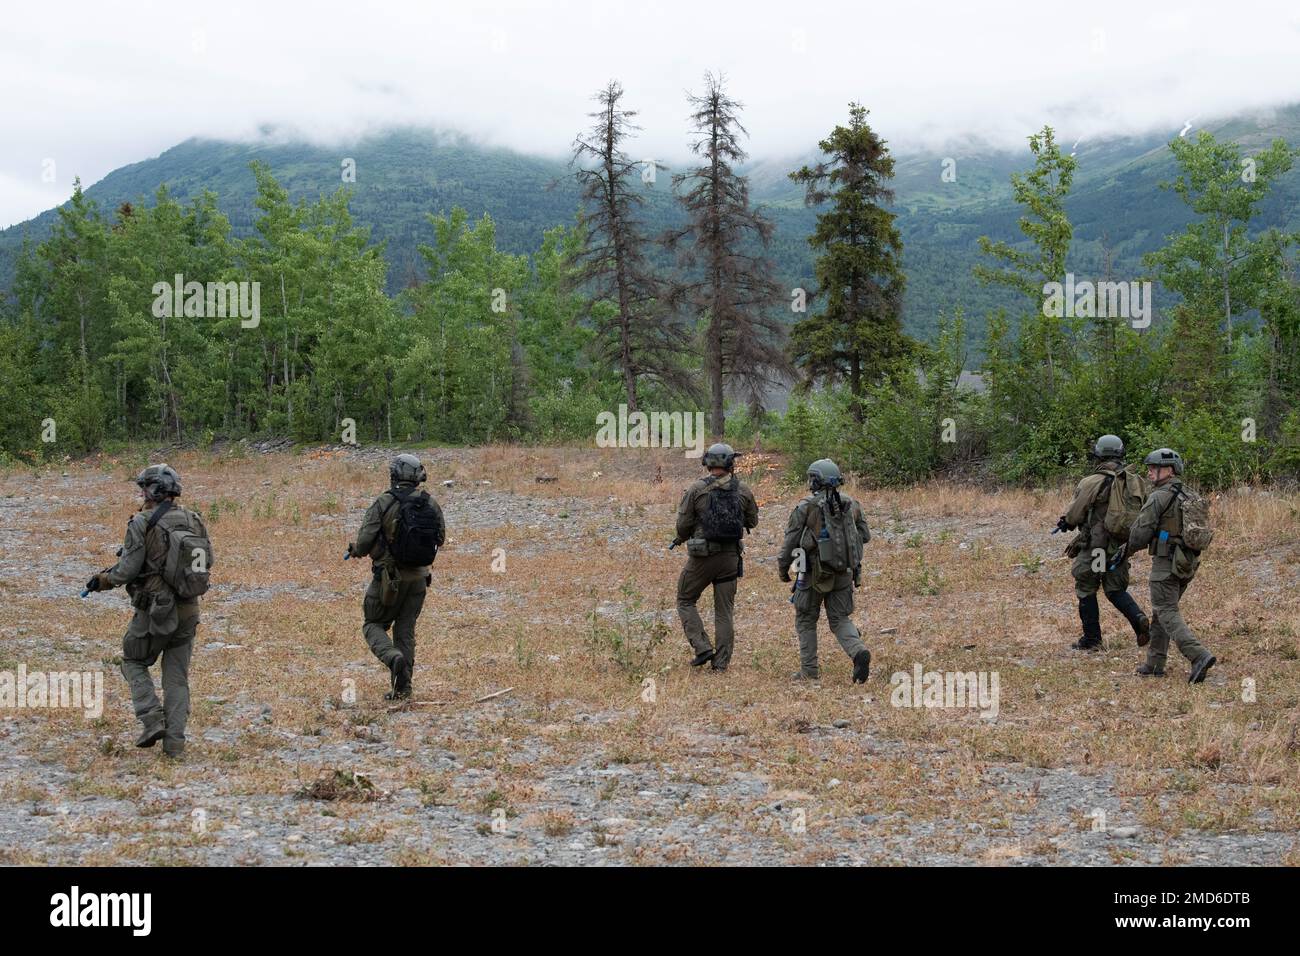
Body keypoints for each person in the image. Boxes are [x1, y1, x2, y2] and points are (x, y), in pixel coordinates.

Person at [86, 464, 210, 758]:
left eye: (144, 487)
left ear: (153, 490)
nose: (140, 493)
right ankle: (175, 746)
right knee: (177, 678)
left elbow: (126, 570)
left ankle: (152, 718)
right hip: (189, 609)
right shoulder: (194, 521)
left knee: (132, 660)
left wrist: (102, 580)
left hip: (156, 610)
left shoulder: (141, 522)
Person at [349, 454, 444, 699]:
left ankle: (392, 657)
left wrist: (357, 551)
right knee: (405, 631)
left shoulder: (384, 501)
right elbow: (440, 538)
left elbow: (364, 541)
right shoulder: (430, 503)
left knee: (373, 624)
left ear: (395, 475)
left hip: (389, 579)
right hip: (419, 580)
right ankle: (403, 689)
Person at [776, 459, 872, 684]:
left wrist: (783, 568)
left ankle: (809, 671)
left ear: (815, 481)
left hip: (812, 573)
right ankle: (858, 651)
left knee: (806, 618)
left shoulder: (806, 506)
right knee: (839, 618)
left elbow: (790, 543)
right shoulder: (852, 504)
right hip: (844, 572)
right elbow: (865, 536)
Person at [1127, 448, 1216, 683]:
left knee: (1166, 611)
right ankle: (1155, 663)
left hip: (1166, 562)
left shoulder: (1159, 496)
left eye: (1155, 468)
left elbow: (1139, 533)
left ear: (1170, 470)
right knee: (1161, 612)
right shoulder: (1188, 493)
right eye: (1150, 467)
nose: (1150, 472)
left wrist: (1125, 550)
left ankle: (1198, 655)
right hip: (1187, 562)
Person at [1055, 434, 1150, 651]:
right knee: (1115, 589)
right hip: (1122, 546)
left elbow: (1075, 514)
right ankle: (1139, 620)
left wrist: (1067, 523)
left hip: (1097, 548)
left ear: (1098, 455)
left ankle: (1092, 639)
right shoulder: (1136, 482)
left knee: (1087, 586)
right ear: (1121, 454)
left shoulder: (1091, 482)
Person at [673, 442, 758, 671]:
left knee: (685, 599)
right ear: (731, 463)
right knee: (724, 611)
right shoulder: (743, 490)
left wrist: (685, 535)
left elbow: (682, 525)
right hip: (730, 557)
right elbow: (752, 521)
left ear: (707, 463)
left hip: (703, 557)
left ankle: (702, 647)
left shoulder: (695, 489)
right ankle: (720, 665)